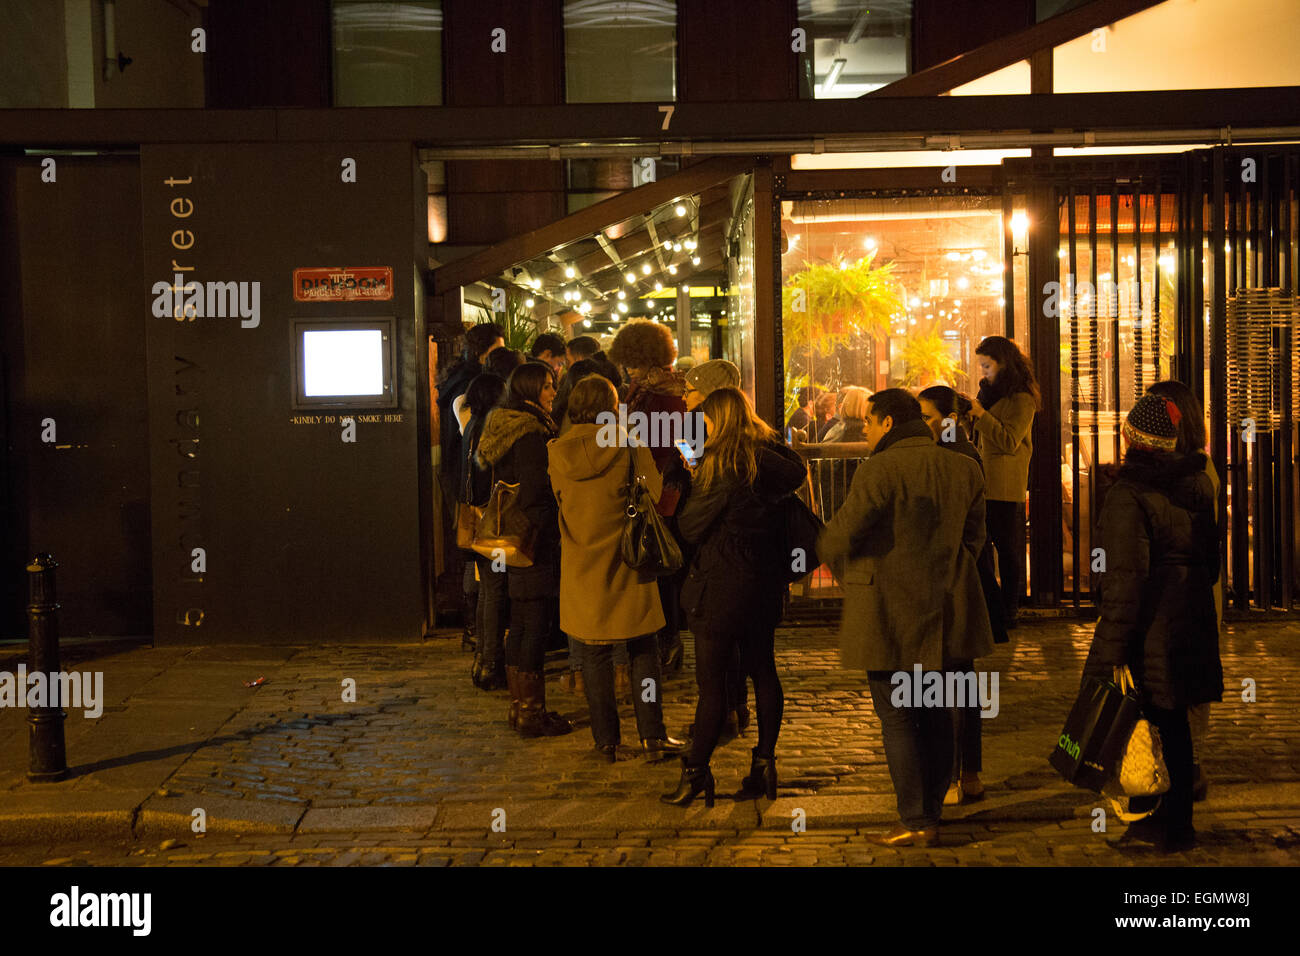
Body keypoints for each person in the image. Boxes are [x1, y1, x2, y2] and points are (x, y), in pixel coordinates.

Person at [817, 389, 993, 846]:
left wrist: (856, 579)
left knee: (897, 717)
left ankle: (914, 818)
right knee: (936, 714)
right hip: (946, 611)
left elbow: (838, 538)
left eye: (870, 424)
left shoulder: (879, 469)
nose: (867, 432)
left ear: (888, 424)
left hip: (889, 614)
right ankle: (930, 813)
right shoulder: (965, 467)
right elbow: (975, 540)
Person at [1083, 393, 1220, 853]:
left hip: (1150, 628)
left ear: (1129, 438)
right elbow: (1212, 564)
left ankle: (1154, 819)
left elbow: (1124, 580)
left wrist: (1109, 652)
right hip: (1189, 620)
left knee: (1146, 722)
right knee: (1174, 724)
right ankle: (1178, 822)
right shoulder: (1198, 487)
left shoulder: (1129, 495)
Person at [662, 387, 807, 808]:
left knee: (712, 685)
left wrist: (688, 473)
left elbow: (688, 528)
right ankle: (764, 762)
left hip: (720, 585)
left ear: (718, 421)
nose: (699, 425)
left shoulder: (722, 469)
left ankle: (696, 772)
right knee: (763, 669)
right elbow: (795, 469)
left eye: (705, 418)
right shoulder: (769, 460)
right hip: (764, 582)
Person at [548, 376, 687, 762]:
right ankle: (652, 734)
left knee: (593, 653)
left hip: (580, 561)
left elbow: (558, 499)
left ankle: (606, 740)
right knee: (643, 646)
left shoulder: (557, 450)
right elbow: (656, 494)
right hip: (630, 559)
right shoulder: (627, 443)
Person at [918, 385, 1008, 807]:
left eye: (929, 417)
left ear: (950, 419)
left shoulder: (958, 457)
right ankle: (964, 773)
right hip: (958, 580)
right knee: (958, 679)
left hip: (956, 585)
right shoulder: (954, 453)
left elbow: (972, 531)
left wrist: (951, 569)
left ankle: (959, 774)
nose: (924, 425)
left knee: (953, 680)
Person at [474, 362, 572, 738]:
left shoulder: (503, 426)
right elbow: (534, 495)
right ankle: (532, 712)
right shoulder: (531, 433)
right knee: (533, 624)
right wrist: (552, 524)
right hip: (531, 541)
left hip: (508, 540)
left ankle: (520, 708)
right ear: (531, 390)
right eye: (547, 386)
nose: (552, 393)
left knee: (520, 622)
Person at [1144, 380, 1222, 803]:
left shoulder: (1180, 471)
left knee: (1174, 679)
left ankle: (1177, 767)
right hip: (1196, 591)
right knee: (1188, 678)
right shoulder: (1199, 468)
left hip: (1175, 591)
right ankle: (1186, 765)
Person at [609, 320, 692, 677]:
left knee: (659, 567)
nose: (627, 368)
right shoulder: (655, 390)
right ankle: (663, 643)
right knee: (658, 567)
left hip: (658, 491)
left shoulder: (658, 394)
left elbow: (660, 444)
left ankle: (666, 643)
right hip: (658, 488)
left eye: (630, 361)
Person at [681, 360, 751, 739]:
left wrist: (690, 471)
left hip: (715, 558)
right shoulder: (751, 432)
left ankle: (715, 724)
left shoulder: (702, 427)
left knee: (713, 651)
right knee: (739, 646)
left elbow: (696, 510)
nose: (685, 397)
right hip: (746, 566)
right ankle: (737, 707)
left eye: (692, 390)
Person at [437, 323, 505, 651]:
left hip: (460, 476)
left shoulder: (457, 382)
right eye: (496, 350)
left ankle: (475, 628)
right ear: (483, 352)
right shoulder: (472, 389)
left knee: (473, 553)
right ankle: (476, 628)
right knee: (477, 554)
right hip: (471, 481)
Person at [969, 335, 1040, 628]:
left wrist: (980, 415)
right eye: (982, 366)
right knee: (981, 546)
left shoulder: (1022, 398)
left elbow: (1010, 440)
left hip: (1006, 485)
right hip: (984, 483)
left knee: (1009, 550)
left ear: (1004, 363)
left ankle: (1009, 609)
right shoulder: (988, 393)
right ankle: (991, 605)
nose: (983, 372)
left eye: (987, 365)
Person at [461, 372, 509, 691]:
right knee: (494, 590)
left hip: (475, 516)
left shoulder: (471, 425)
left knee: (486, 589)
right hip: (493, 517)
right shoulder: (491, 426)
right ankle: (491, 662)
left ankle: (483, 659)